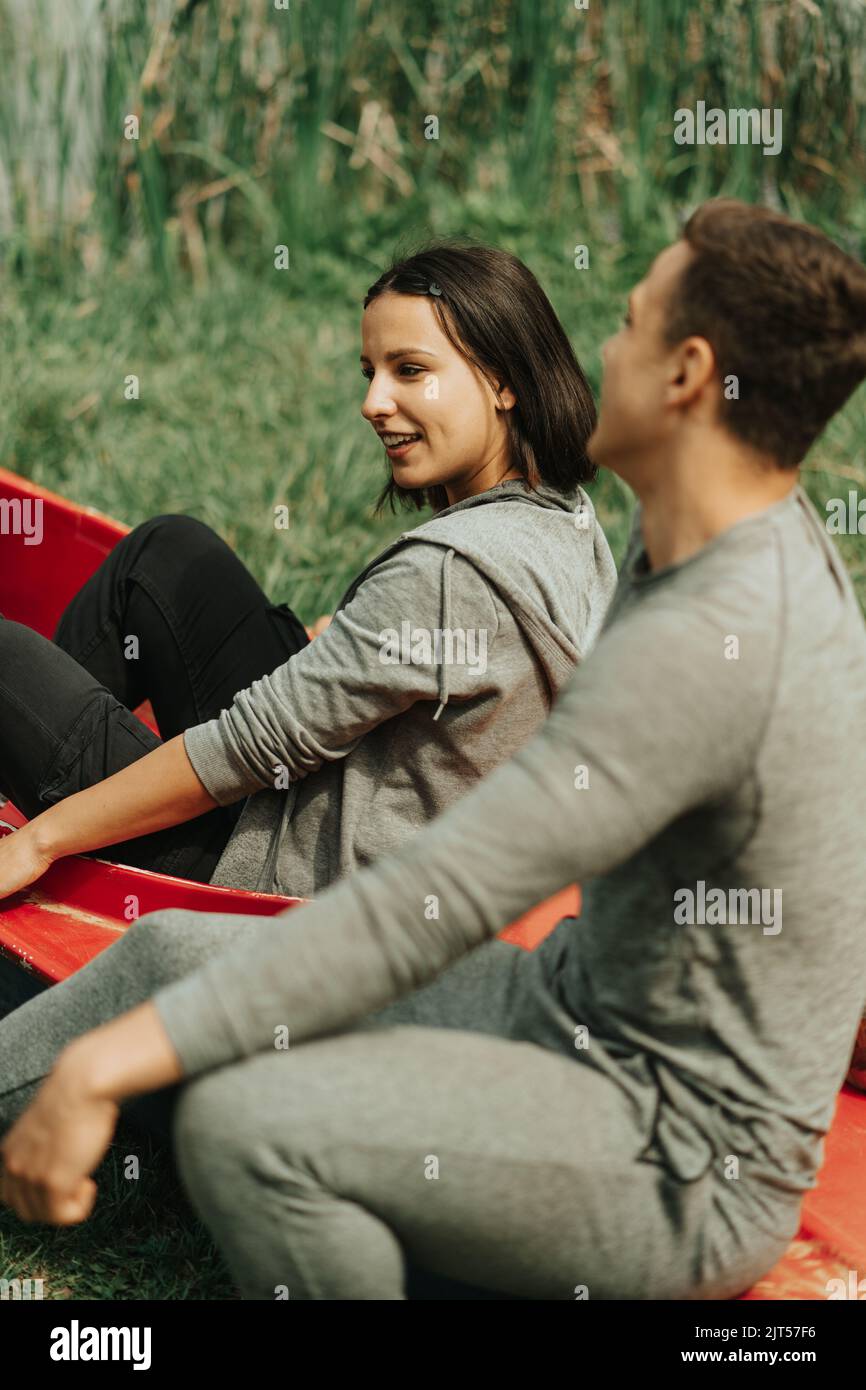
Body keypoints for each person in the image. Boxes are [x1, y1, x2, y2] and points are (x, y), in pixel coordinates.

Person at [3, 198, 866, 1302]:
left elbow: (448, 888)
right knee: (169, 957)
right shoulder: (703, 529)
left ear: (687, 374)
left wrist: (103, 1067)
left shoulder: (713, 643)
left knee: (249, 1127)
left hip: (671, 1154)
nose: (598, 346)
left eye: (632, 322)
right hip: (563, 1004)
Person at [0, 243, 615, 897]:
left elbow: (244, 746)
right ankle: (31, 771)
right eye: (370, 371)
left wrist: (46, 839)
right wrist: (360, 643)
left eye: (409, 370)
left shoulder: (442, 580)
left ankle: (34, 819)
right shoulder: (564, 516)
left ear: (502, 381)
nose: (374, 402)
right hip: (351, 803)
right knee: (168, 557)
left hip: (269, 883)